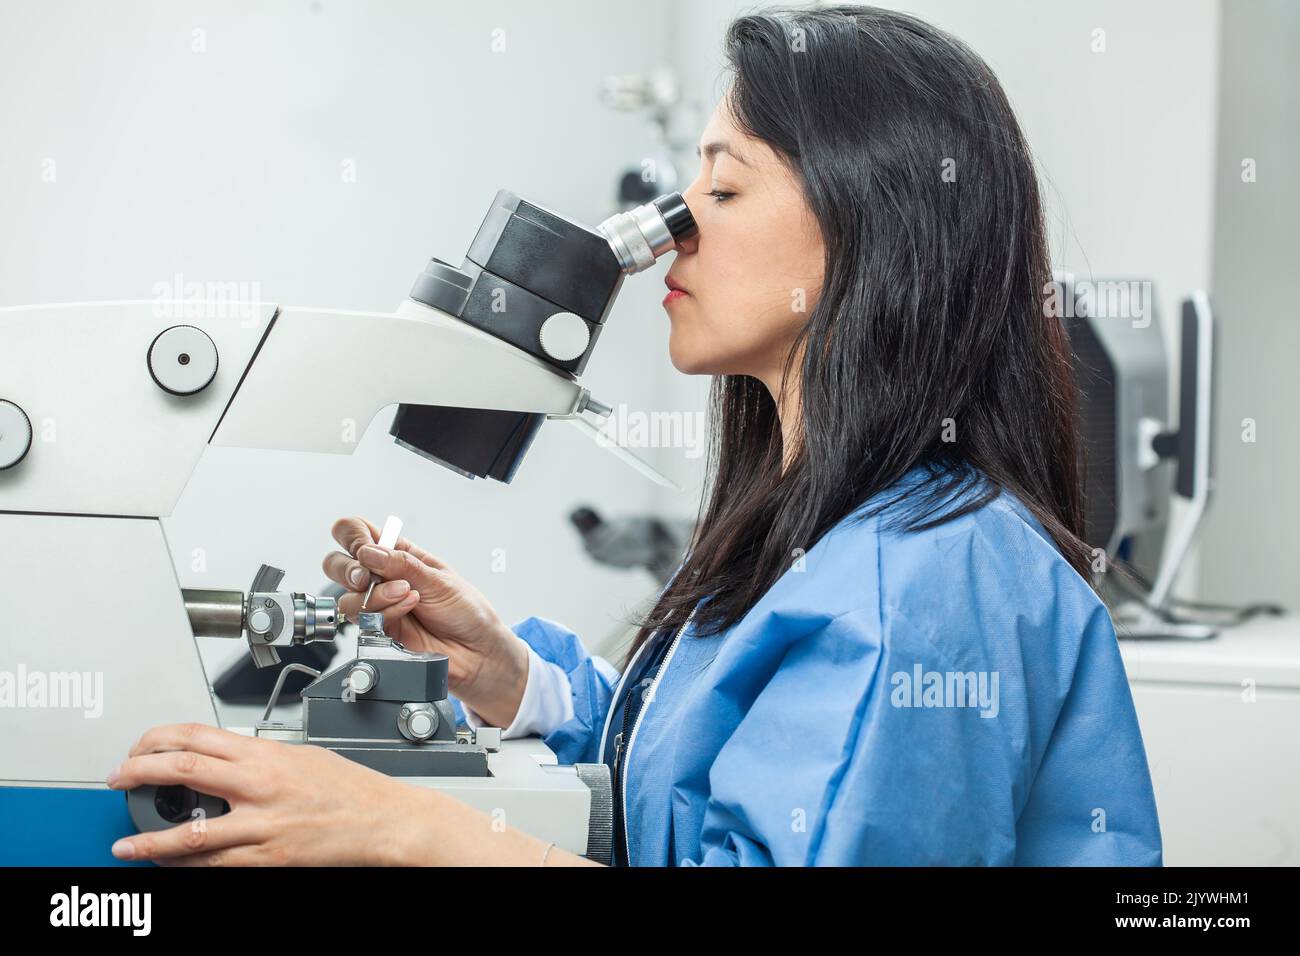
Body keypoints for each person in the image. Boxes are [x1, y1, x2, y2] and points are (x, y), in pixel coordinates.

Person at [107, 4, 1162, 866]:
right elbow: (714, 779)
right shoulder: (828, 526)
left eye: (725, 183)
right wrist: (521, 679)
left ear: (870, 224)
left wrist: (411, 831)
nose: (675, 231)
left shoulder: (924, 579)